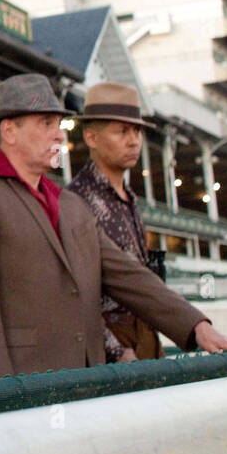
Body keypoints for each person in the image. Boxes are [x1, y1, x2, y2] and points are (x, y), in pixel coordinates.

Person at [0, 73, 227, 377]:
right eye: (46, 123)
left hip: (90, 380)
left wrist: (199, 328)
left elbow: (130, 276)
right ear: (9, 131)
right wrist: (0, 390)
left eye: (59, 124)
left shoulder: (72, 205)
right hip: (23, 385)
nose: (59, 134)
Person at [67, 82, 163, 362]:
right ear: (91, 138)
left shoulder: (130, 198)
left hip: (144, 332)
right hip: (110, 343)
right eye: (122, 131)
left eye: (137, 130)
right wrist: (116, 350)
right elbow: (75, 292)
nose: (133, 140)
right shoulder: (76, 200)